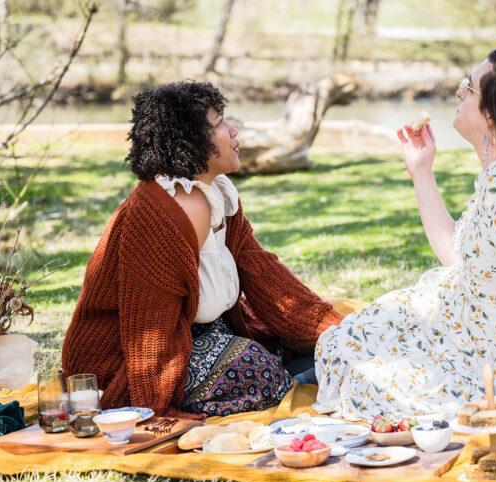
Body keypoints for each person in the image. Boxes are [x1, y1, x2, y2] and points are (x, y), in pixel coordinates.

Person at [313, 44, 496, 427]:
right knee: (360, 330)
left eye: (470, 86)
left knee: (351, 352)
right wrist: (421, 171)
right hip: (474, 329)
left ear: (494, 114)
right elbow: (460, 259)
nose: (459, 93)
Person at [62, 81, 343, 418]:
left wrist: (333, 327)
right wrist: (151, 407)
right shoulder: (160, 215)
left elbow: (262, 272)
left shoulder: (217, 193)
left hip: (196, 331)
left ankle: (308, 373)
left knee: (297, 339)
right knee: (255, 367)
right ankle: (302, 380)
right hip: (122, 358)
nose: (234, 130)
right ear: (191, 141)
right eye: (220, 124)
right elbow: (147, 327)